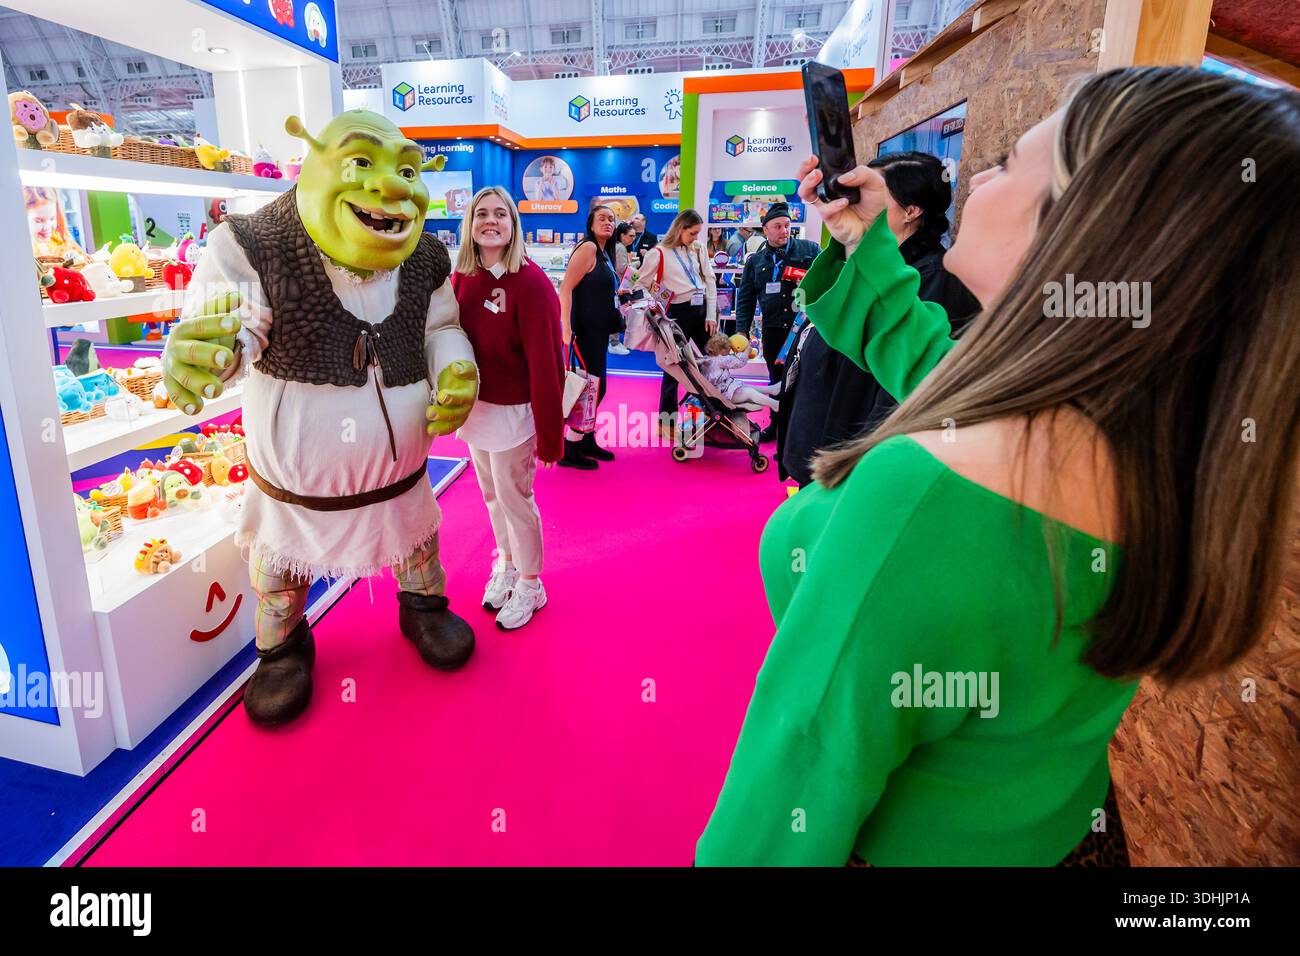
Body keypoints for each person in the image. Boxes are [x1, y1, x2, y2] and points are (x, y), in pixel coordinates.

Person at [696, 66, 1300, 866]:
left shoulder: (928, 491)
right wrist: (867, 241)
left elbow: (800, 767)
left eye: (1011, 163)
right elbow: (942, 370)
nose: (977, 175)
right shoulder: (1166, 457)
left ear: (1081, 237)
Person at [161, 111, 479, 726]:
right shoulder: (253, 240)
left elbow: (441, 328)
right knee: (279, 567)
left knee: (417, 541)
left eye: (407, 170)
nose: (392, 188)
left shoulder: (426, 257)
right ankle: (282, 647)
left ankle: (422, 605)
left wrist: (455, 369)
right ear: (313, 162)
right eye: (362, 162)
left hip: (402, 475)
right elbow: (234, 322)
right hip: (293, 486)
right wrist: (211, 347)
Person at [778, 151, 979, 486]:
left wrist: (848, 474)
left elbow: (900, 400)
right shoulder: (870, 265)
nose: (857, 198)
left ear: (913, 211)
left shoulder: (936, 278)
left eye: (875, 189)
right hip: (821, 458)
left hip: (847, 475)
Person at [451, 187, 564, 630]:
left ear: (514, 224)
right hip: (477, 410)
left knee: (516, 498)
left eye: (501, 214)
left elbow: (547, 363)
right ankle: (509, 564)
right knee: (493, 495)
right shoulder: (463, 276)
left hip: (515, 413)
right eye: (482, 214)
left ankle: (533, 584)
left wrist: (551, 436)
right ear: (471, 224)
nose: (490, 221)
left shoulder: (531, 282)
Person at [733, 202, 820, 440]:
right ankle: (778, 425)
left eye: (787, 226)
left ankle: (801, 427)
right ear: (765, 229)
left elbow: (828, 283)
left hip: (804, 330)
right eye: (778, 226)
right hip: (772, 330)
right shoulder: (755, 261)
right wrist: (741, 330)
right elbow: (746, 300)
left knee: (805, 378)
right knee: (776, 379)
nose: (784, 230)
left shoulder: (810, 250)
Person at [636, 209, 717, 436]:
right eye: (692, 233)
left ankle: (709, 414)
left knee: (708, 364)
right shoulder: (659, 253)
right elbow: (640, 284)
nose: (695, 238)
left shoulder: (698, 249)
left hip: (701, 312)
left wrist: (711, 314)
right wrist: (655, 305)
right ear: (680, 229)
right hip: (677, 314)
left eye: (698, 233)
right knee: (674, 368)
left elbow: (709, 280)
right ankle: (667, 423)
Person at [558, 204, 621, 468]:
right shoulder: (588, 248)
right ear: (591, 224)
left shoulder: (606, 253)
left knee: (596, 387)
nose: (608, 222)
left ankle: (586, 439)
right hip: (583, 331)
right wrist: (566, 327)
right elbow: (566, 288)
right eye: (602, 218)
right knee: (589, 388)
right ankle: (569, 449)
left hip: (598, 331)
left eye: (612, 219)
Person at [699, 333, 779, 410]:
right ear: (721, 349)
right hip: (723, 395)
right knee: (749, 392)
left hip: (722, 391)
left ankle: (771, 389)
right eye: (728, 349)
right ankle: (775, 404)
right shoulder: (719, 360)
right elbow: (738, 361)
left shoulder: (709, 359)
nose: (729, 351)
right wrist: (747, 350)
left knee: (745, 386)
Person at [608, 221, 636, 355]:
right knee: (617, 313)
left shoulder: (618, 246)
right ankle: (614, 343)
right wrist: (636, 268)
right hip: (620, 285)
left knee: (618, 312)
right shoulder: (620, 248)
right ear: (622, 235)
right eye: (631, 236)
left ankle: (614, 342)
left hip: (618, 285)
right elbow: (621, 268)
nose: (633, 238)